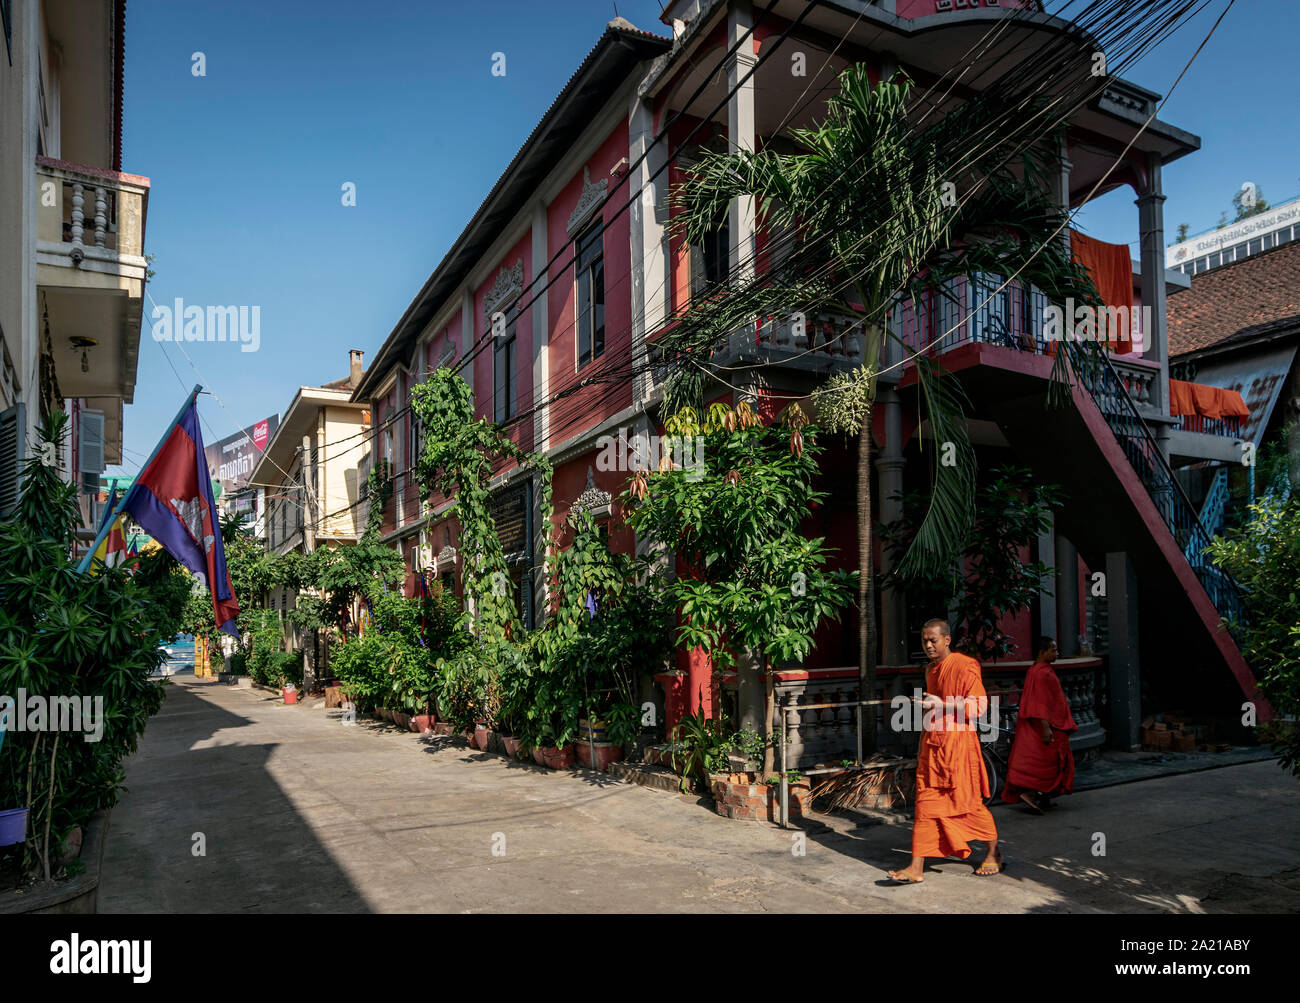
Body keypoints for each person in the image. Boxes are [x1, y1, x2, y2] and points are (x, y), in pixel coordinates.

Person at [886, 619, 1001, 883]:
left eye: (933, 640)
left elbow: (978, 706)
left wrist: (944, 704)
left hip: (958, 749)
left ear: (947, 640)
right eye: (924, 640)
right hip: (933, 749)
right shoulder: (931, 670)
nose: (928, 645)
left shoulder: (965, 665)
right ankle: (916, 867)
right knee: (925, 807)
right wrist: (929, 708)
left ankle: (994, 852)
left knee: (968, 805)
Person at [1002, 636, 1076, 813]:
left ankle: (1041, 796)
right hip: (1046, 725)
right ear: (1042, 652)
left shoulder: (1036, 670)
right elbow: (1040, 703)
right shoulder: (1041, 673)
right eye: (1053, 650)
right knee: (1048, 761)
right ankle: (1031, 794)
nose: (1056, 653)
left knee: (1042, 761)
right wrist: (1045, 727)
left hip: (1046, 723)